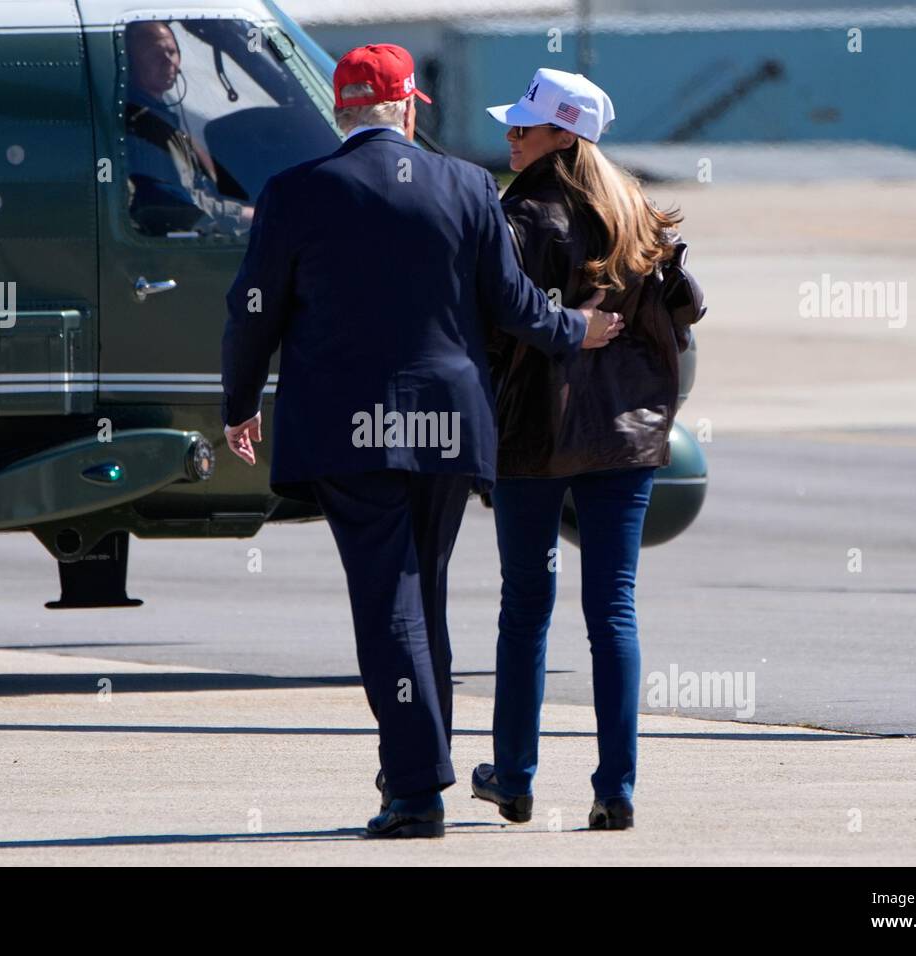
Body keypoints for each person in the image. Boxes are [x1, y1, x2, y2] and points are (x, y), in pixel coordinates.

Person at [220, 45, 623, 838]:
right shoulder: (468, 186)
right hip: (447, 426)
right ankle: (421, 757)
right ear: (408, 111)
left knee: (389, 601)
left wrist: (239, 403)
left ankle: (413, 788)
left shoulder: (296, 192)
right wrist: (577, 330)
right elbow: (514, 307)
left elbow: (252, 309)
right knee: (419, 593)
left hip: (348, 430)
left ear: (341, 115)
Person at [471, 67, 705, 830]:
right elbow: (689, 306)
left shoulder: (520, 216)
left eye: (522, 127)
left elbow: (493, 325)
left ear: (563, 136)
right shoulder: (637, 214)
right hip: (625, 436)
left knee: (525, 607)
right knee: (613, 610)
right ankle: (617, 789)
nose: (510, 136)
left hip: (532, 436)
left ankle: (513, 776)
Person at [124, 20, 251, 238]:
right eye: (155, 54)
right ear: (131, 61)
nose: (167, 61)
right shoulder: (143, 126)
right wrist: (242, 215)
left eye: (172, 52)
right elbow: (174, 200)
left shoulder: (162, 115)